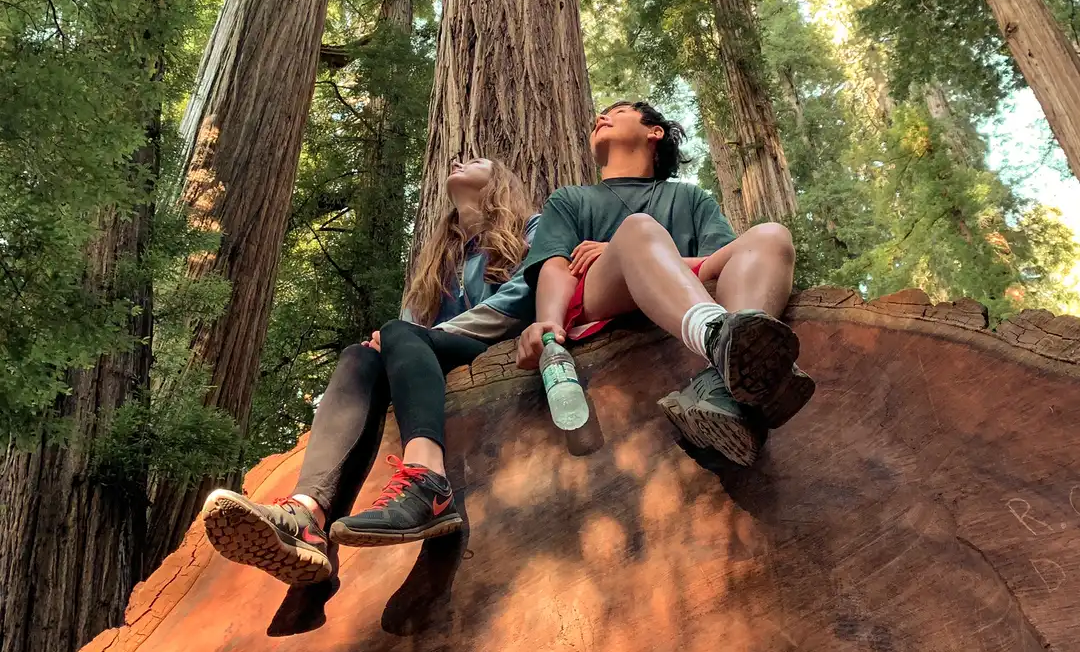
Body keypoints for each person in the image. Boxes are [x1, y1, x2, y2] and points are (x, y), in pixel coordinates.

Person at [202, 158, 539, 586]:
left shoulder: (532, 227)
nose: (457, 160)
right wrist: (393, 345)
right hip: (431, 356)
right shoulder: (439, 260)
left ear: (500, 182)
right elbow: (406, 331)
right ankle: (306, 516)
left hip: (498, 343)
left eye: (475, 161)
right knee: (359, 356)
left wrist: (417, 336)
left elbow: (526, 293)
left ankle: (429, 483)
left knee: (400, 334)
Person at [516, 101, 814, 466]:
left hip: (684, 290)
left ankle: (719, 391)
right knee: (638, 229)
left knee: (772, 236)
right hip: (598, 296)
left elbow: (725, 265)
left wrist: (652, 254)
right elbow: (554, 267)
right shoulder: (571, 199)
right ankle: (722, 344)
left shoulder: (689, 197)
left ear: (654, 132)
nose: (600, 117)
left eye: (618, 110)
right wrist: (549, 323)